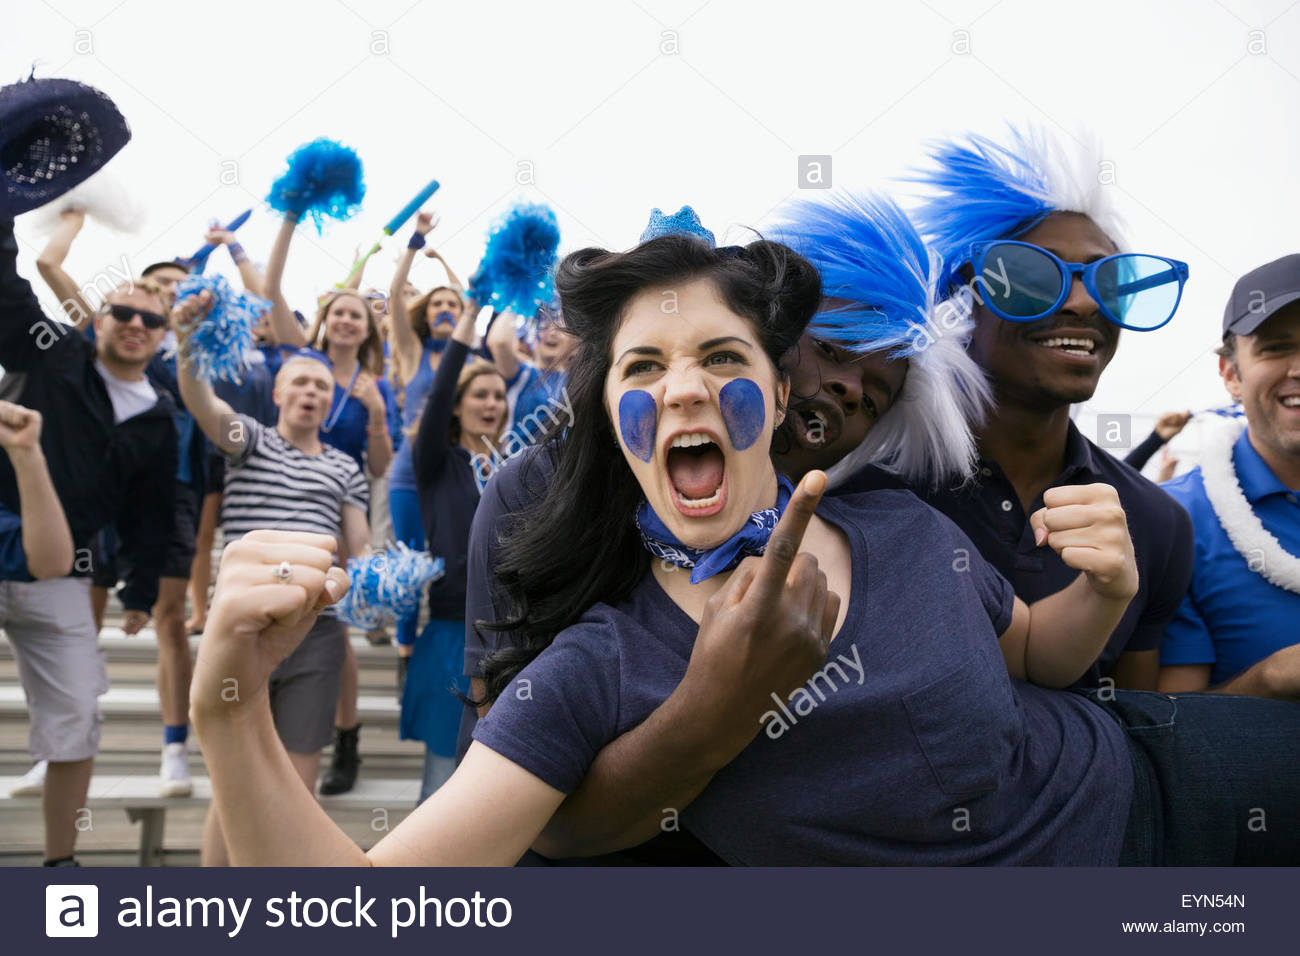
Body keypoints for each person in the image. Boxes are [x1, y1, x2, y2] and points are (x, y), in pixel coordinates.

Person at [193, 232, 1300, 867]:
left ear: (776, 396)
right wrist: (227, 708)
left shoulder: (904, 526)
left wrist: (1101, 591)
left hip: (1167, 767)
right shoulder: (599, 664)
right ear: (614, 419)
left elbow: (1032, 659)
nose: (681, 384)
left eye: (719, 354)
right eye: (641, 368)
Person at [834, 128, 1195, 691]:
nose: (1080, 303)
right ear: (960, 300)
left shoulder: (1156, 522)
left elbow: (1138, 730)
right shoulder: (861, 488)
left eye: (1108, 283)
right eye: (1030, 278)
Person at [0, 218, 177, 865]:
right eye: (122, 311)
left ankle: (59, 863)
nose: (135, 323)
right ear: (97, 318)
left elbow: (153, 512)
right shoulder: (53, 351)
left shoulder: (159, 418)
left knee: (79, 716)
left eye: (149, 319)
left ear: (164, 336)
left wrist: (139, 587)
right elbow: (7, 291)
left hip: (61, 570)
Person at [174, 291, 370, 865]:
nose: (311, 393)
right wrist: (186, 345)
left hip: (317, 632)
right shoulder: (249, 440)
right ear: (278, 393)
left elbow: (358, 548)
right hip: (243, 629)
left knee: (294, 781)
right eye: (300, 385)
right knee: (232, 786)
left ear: (330, 403)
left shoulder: (345, 466)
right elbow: (200, 402)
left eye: (322, 388)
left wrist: (380, 580)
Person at [264, 210, 399, 795]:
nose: (346, 321)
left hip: (343, 516)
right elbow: (270, 291)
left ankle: (343, 737)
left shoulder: (380, 387)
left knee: (333, 629)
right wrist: (291, 216)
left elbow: (379, 468)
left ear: (368, 329)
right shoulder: (307, 365)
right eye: (338, 313)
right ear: (324, 322)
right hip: (288, 513)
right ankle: (281, 734)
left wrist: (374, 412)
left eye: (357, 315)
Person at [1158, 255, 1300, 697]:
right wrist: (1272, 678)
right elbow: (1169, 735)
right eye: (1276, 347)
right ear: (1230, 375)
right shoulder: (1171, 521)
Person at [403, 299, 507, 800]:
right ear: (458, 406)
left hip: (508, 643)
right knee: (439, 787)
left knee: (490, 789)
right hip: (449, 637)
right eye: (480, 395)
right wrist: (471, 317)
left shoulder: (519, 467)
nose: (492, 404)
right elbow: (439, 388)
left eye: (499, 396)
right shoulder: (436, 462)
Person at [386, 212, 465, 661]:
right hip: (408, 475)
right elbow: (396, 294)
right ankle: (403, 650)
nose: (444, 310)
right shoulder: (413, 354)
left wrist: (447, 265)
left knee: (451, 562)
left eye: (451, 306)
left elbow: (471, 300)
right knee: (409, 562)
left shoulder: (468, 360)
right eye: (436, 305)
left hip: (454, 475)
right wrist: (417, 242)